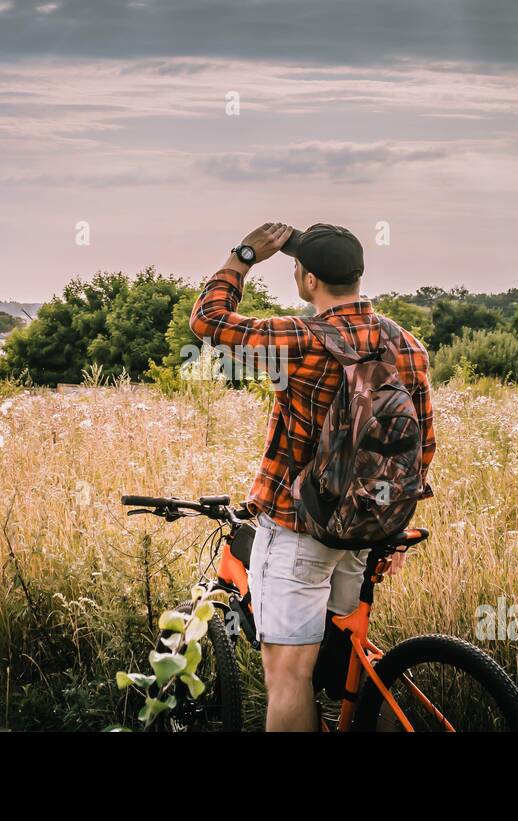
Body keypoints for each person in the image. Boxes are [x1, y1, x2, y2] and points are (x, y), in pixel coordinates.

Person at [189, 221, 436, 731]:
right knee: (351, 654)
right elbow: (422, 446)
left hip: (301, 525)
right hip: (369, 525)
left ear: (306, 280)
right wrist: (387, 525)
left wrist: (244, 256)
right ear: (358, 275)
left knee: (289, 677)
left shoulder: (299, 338)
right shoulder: (407, 345)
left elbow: (208, 321)